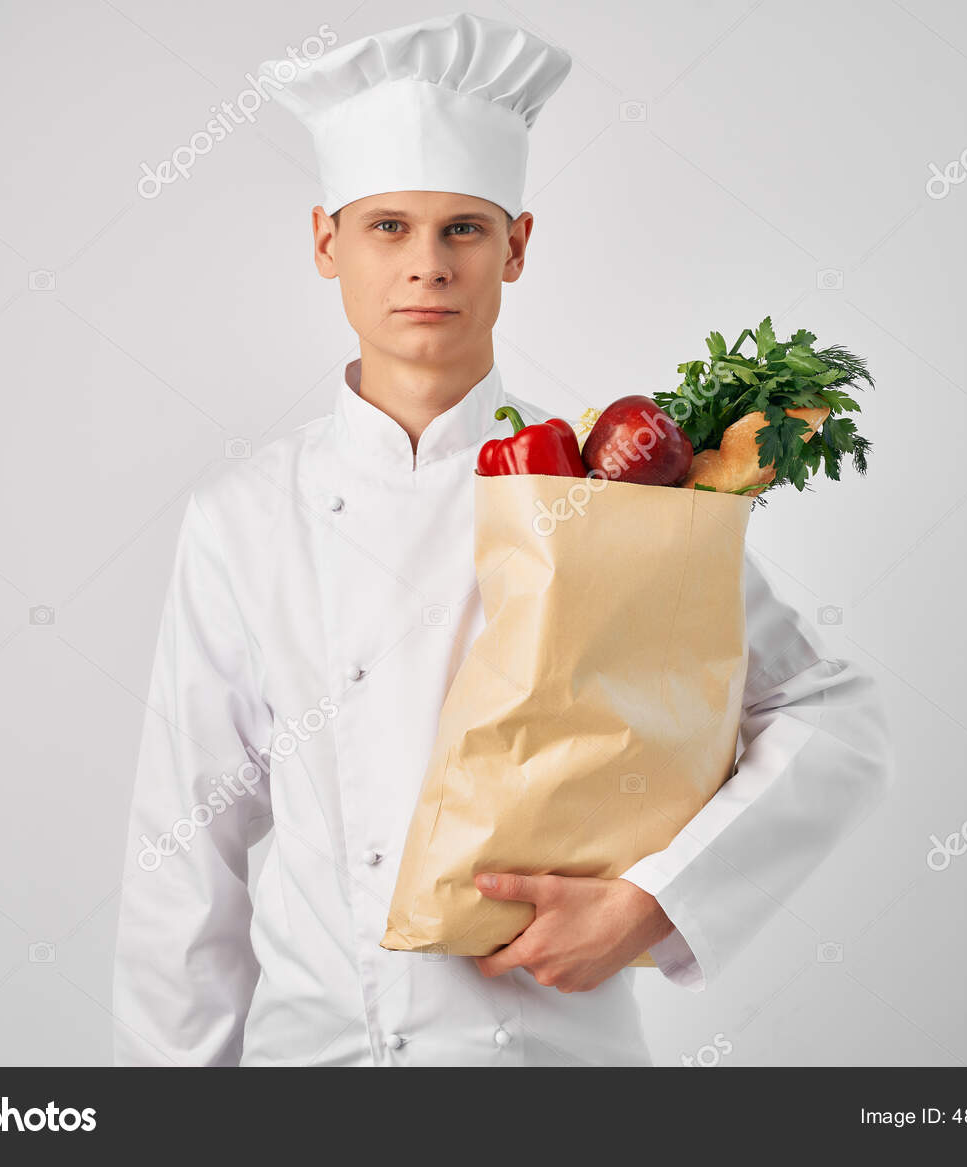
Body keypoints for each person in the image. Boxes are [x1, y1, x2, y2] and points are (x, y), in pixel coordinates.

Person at [111, 10, 891, 1067]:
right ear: (324, 243)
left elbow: (825, 715)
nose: (425, 265)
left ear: (517, 247)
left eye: (462, 229)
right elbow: (183, 853)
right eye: (386, 226)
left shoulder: (607, 491)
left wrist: (652, 903)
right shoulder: (245, 517)